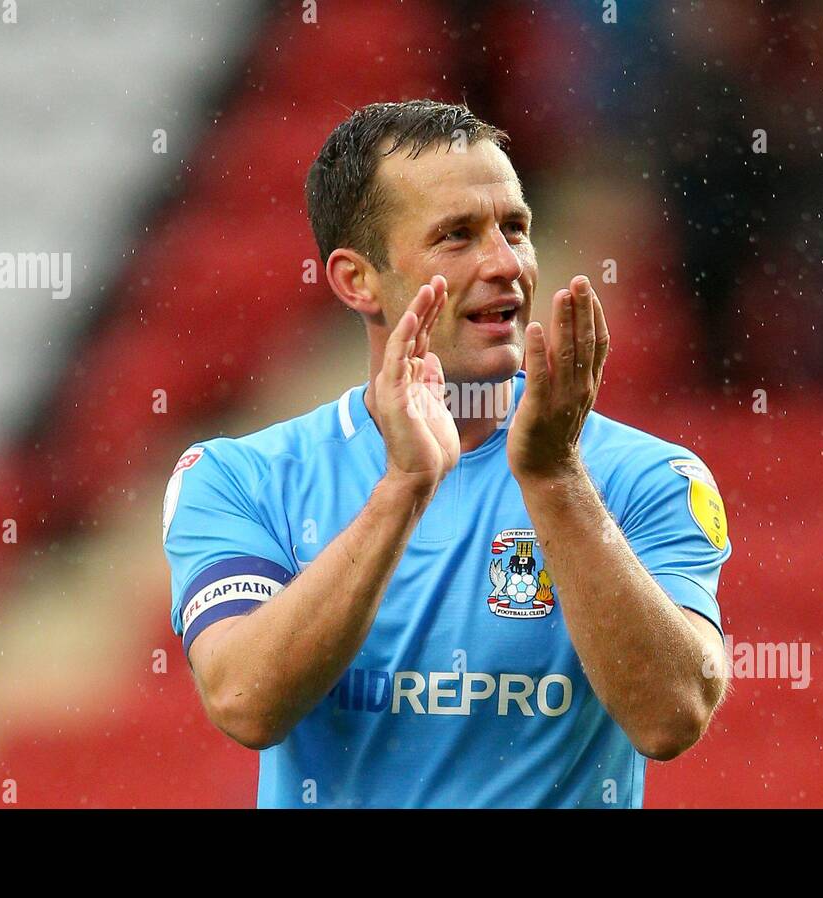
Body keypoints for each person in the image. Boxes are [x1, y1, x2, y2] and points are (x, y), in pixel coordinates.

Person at [161, 100, 732, 808]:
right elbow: (246, 701)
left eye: (515, 229)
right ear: (356, 280)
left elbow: (672, 715)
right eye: (457, 236)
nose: (505, 264)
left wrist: (555, 480)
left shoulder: (645, 476)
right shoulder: (240, 480)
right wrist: (403, 488)